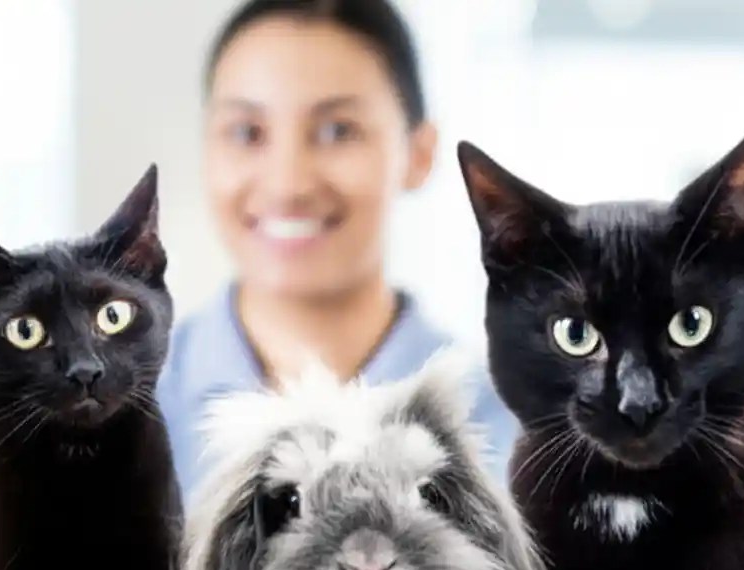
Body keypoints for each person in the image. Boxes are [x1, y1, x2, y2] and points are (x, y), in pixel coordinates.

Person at [158, 0, 519, 495]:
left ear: (419, 153)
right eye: (247, 133)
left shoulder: (516, 434)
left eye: (337, 131)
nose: (288, 183)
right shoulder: (107, 410)